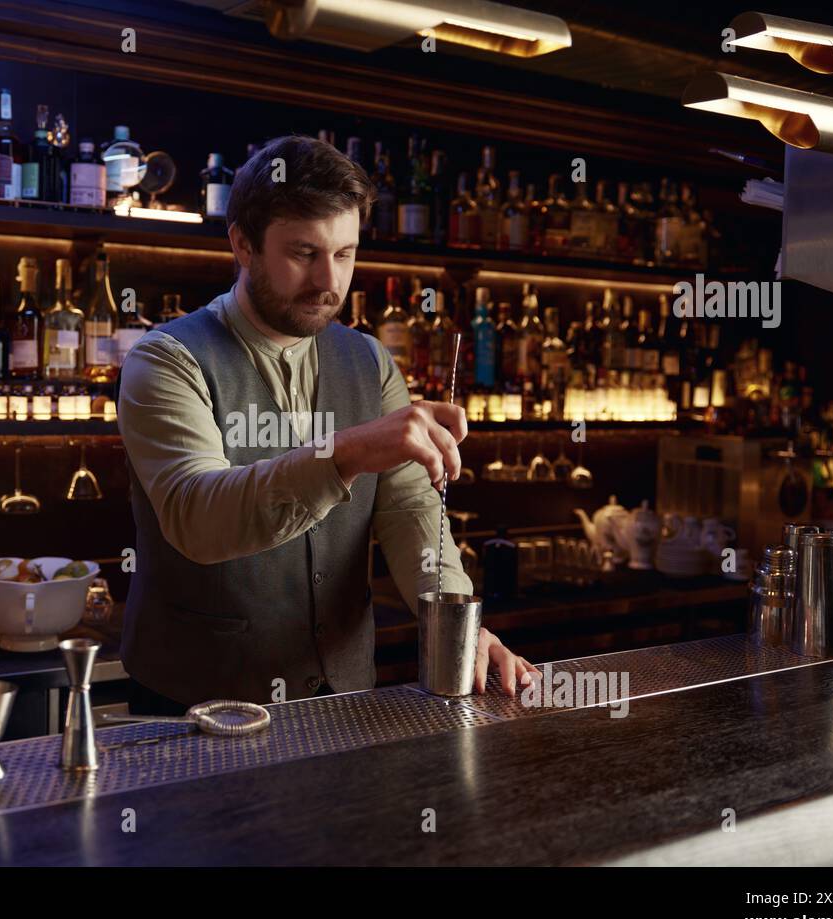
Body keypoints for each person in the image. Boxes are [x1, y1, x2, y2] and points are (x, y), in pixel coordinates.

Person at [117, 134, 537, 715]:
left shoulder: (369, 361)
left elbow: (411, 509)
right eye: (304, 253)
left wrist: (460, 624)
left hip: (342, 695)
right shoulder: (166, 360)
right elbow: (197, 517)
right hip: (199, 706)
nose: (328, 282)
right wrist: (346, 453)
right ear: (243, 244)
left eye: (344, 254)